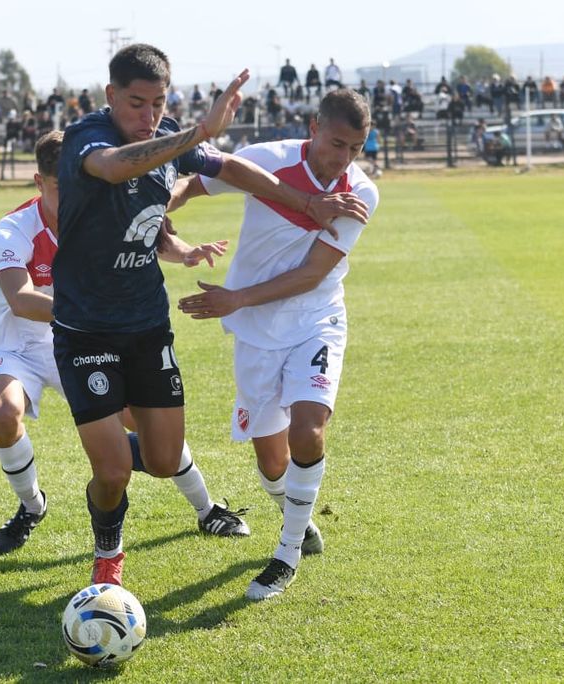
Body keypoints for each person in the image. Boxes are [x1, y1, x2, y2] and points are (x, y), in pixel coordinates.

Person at [53, 44, 369, 588]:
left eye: (158, 104)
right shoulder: (89, 137)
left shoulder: (169, 135)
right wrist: (198, 133)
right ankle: (108, 557)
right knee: (113, 470)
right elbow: (114, 168)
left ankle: (116, 446)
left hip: (147, 323)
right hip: (85, 327)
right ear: (111, 95)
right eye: (136, 103)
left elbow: (229, 168)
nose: (149, 116)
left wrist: (304, 204)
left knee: (165, 457)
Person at [0, 130, 248, 555]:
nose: (73, 197)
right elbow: (20, 299)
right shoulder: (13, 230)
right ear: (39, 182)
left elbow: (153, 237)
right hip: (18, 345)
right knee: (3, 411)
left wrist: (184, 252)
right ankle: (31, 507)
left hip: (83, 338)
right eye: (60, 188)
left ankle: (207, 508)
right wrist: (92, 308)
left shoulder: (99, 213)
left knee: (144, 423)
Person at [175, 89, 379, 601]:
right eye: (337, 144)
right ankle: (299, 520)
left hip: (316, 319)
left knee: (308, 432)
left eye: (355, 148)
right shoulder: (266, 160)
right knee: (272, 463)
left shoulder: (360, 192)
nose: (344, 158)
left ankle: (286, 554)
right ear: (314, 128)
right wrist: (155, 210)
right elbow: (193, 184)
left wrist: (235, 298)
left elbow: (312, 274)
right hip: (256, 331)